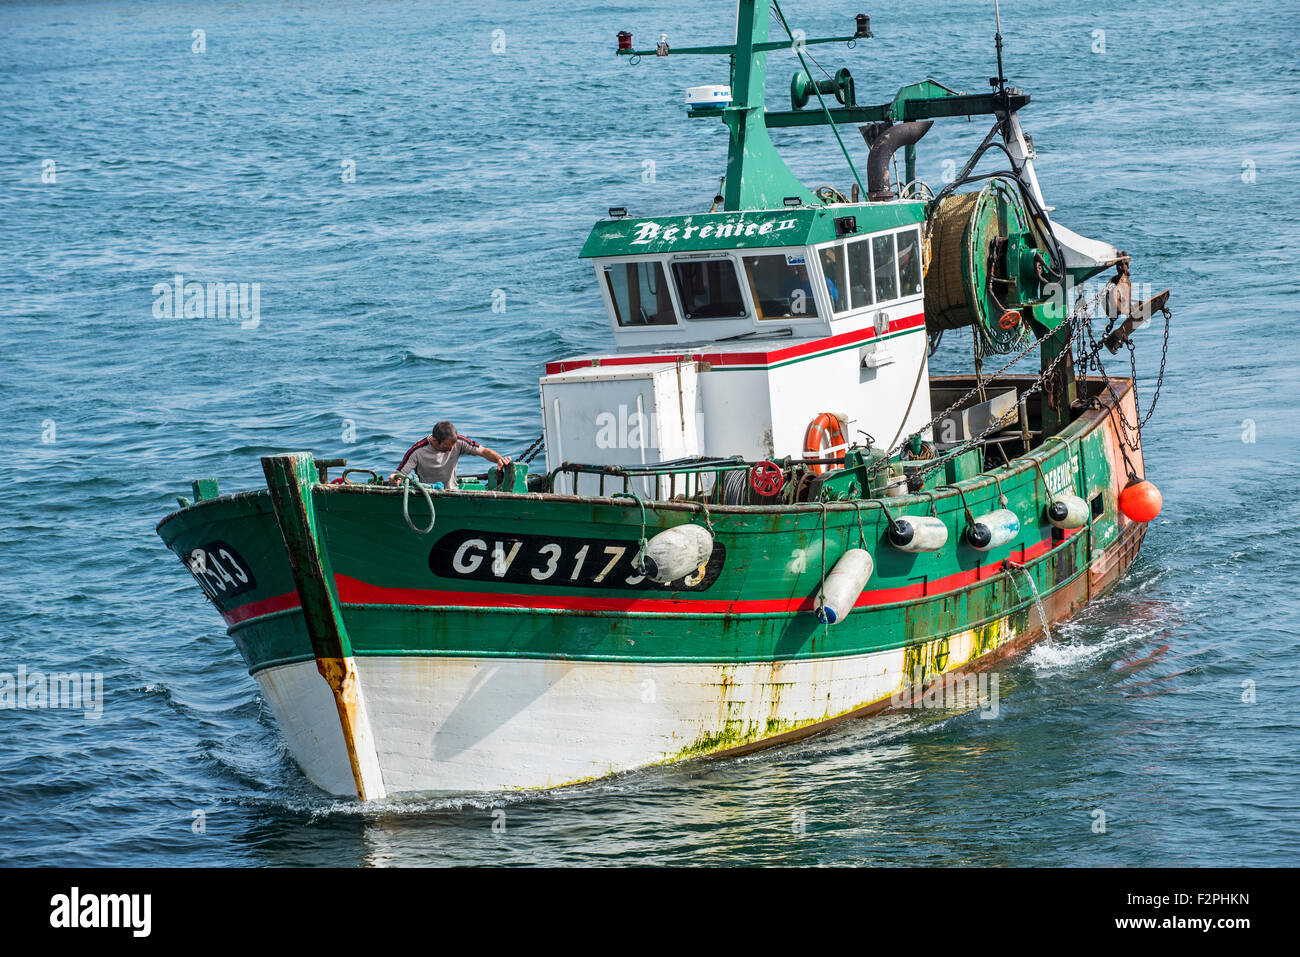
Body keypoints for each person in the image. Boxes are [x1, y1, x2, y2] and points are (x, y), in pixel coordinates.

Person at [389, 421, 511, 489]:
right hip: (427, 494)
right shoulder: (417, 451)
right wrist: (394, 479)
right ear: (435, 440)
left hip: (453, 492)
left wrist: (500, 460)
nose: (451, 449)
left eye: (453, 446)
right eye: (447, 447)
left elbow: (484, 451)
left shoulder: (458, 442)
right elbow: (399, 474)